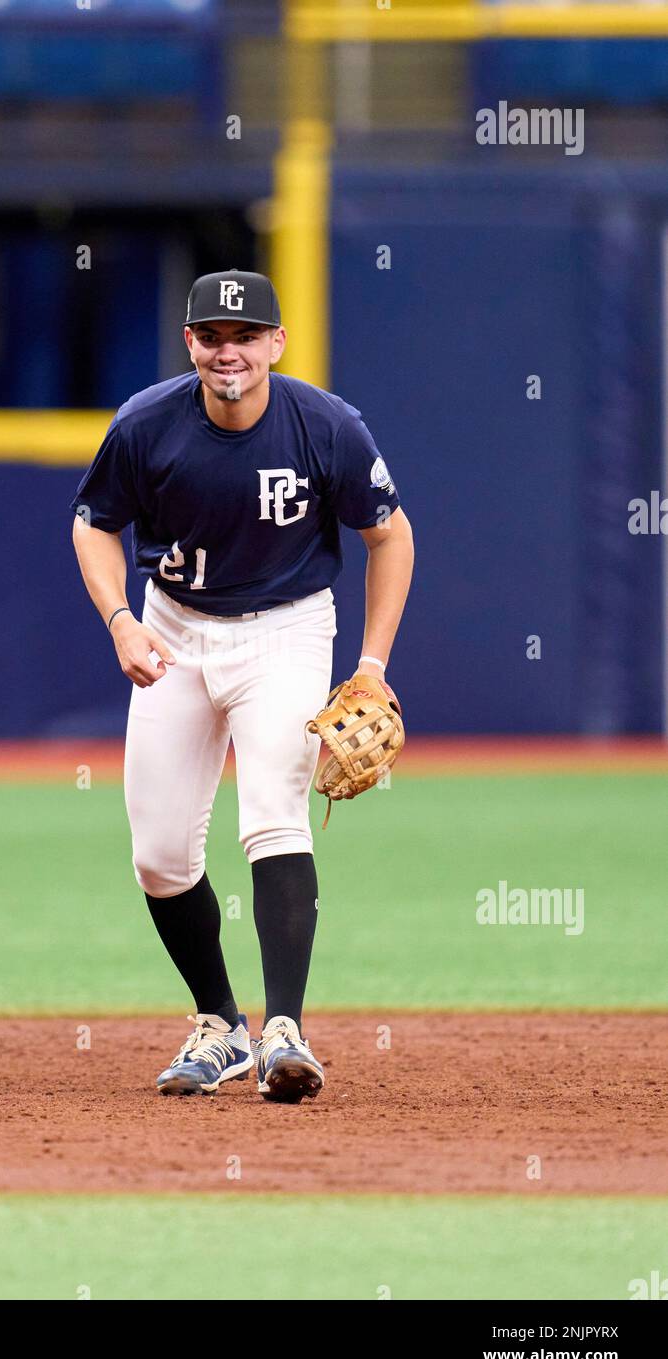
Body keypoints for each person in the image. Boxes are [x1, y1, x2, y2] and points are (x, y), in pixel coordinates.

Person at [71, 269, 414, 1103]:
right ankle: (221, 1026)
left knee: (272, 816)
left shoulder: (326, 426)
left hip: (287, 629)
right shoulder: (146, 423)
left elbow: (390, 535)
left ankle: (285, 1032)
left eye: (247, 335)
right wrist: (120, 617)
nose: (230, 351)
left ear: (276, 343)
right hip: (174, 629)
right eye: (213, 336)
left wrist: (370, 666)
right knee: (157, 854)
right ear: (191, 342)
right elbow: (94, 524)